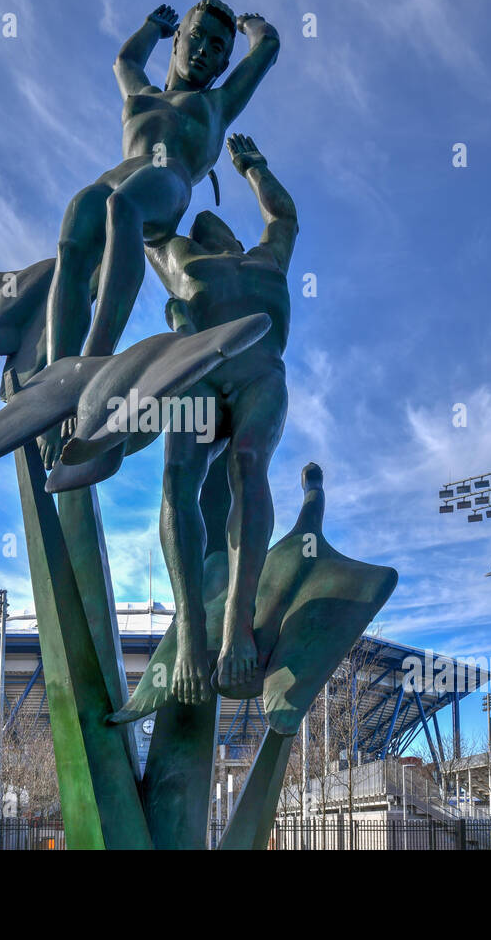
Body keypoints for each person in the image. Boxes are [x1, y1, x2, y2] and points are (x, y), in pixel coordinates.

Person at [40, 0, 279, 468]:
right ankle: (56, 385)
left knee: (122, 206)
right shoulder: (140, 95)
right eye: (198, 38)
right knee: (73, 242)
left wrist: (252, 25)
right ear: (178, 41)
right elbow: (124, 61)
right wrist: (153, 25)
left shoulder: (216, 103)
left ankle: (93, 366)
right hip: (119, 174)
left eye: (218, 48)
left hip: (165, 181)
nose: (206, 52)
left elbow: (267, 49)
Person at [146, 132, 297, 702]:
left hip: (260, 374)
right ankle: (190, 628)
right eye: (195, 227)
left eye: (218, 227)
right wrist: (178, 154)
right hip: (201, 375)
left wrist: (253, 167)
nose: (206, 229)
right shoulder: (180, 257)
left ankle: (237, 618)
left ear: (235, 234)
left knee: (249, 461)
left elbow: (284, 216)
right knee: (177, 476)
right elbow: (142, 212)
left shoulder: (265, 260)